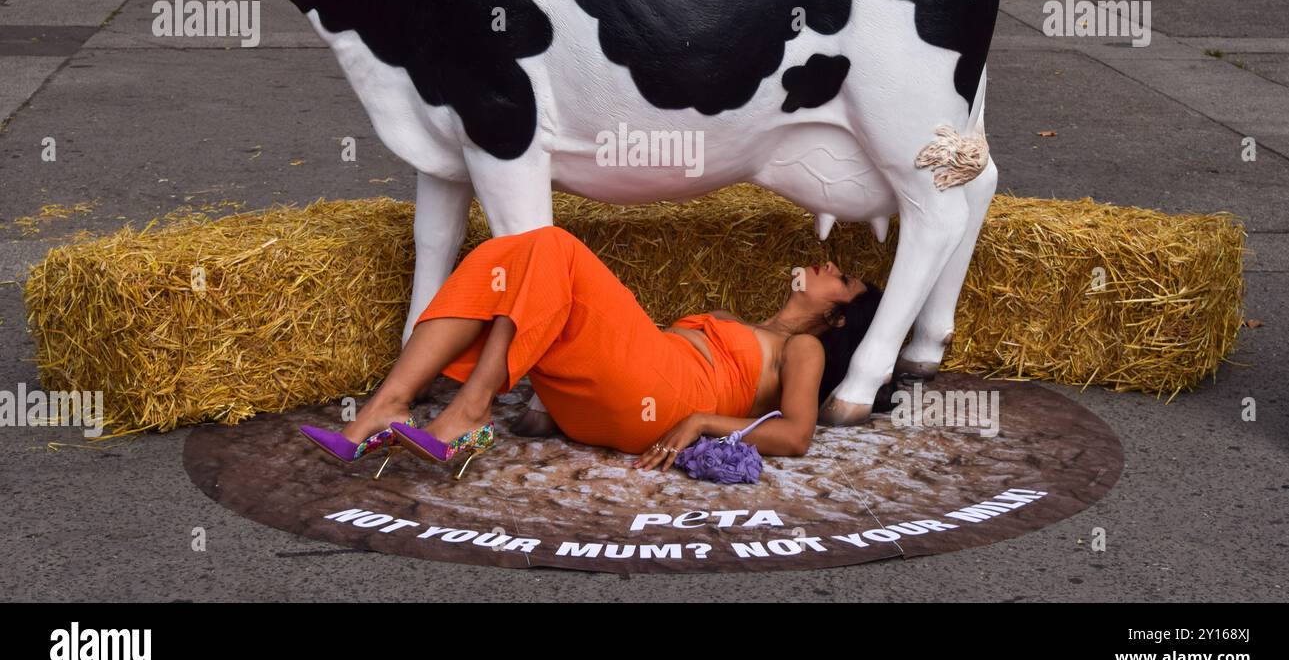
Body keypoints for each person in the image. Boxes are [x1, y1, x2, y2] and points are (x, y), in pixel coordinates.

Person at [300, 225, 882, 477]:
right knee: (501, 259)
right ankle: (390, 405)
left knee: (551, 245)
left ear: (838, 316)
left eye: (843, 278)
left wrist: (703, 421)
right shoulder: (741, 321)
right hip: (606, 398)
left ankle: (466, 410)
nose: (829, 265)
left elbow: (797, 435)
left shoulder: (802, 348)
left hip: (663, 398)